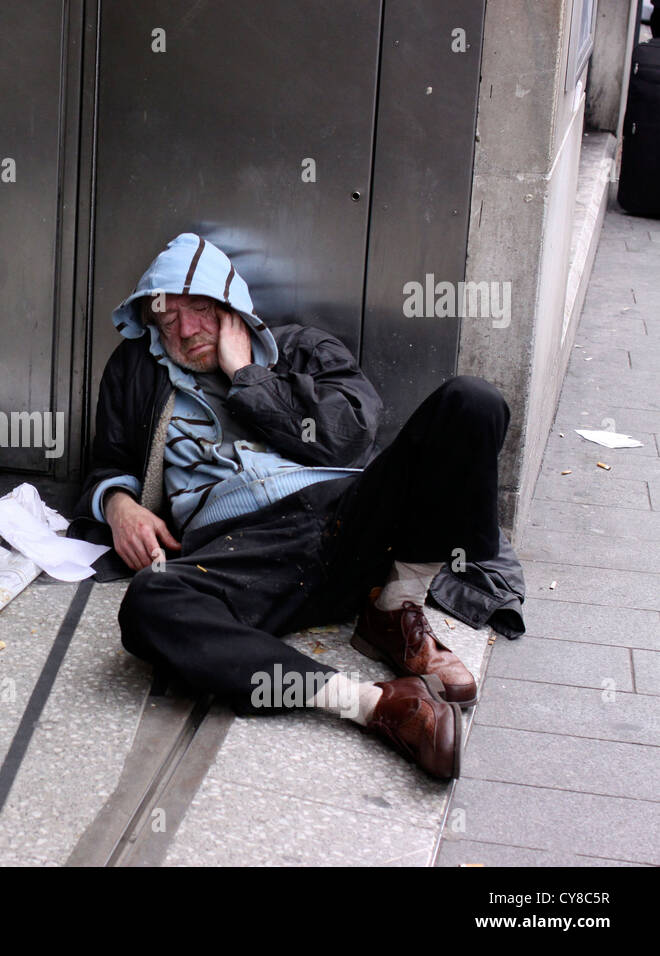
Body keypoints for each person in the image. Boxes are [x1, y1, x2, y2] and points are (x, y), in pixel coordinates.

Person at [73, 233, 524, 779]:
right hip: (244, 549)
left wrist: (248, 378)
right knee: (149, 604)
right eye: (168, 320)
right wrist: (120, 504)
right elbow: (108, 460)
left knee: (472, 402)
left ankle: (393, 607)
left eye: (200, 310)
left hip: (348, 514)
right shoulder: (136, 369)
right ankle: (374, 704)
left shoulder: (305, 348)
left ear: (232, 306)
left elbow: (349, 439)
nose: (186, 330)